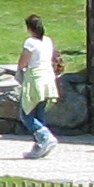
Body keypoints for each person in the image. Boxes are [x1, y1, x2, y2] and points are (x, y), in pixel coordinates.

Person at [14, 15, 63, 159]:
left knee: (26, 114)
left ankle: (46, 137)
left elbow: (23, 62)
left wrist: (19, 69)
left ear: (29, 28)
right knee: (39, 112)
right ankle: (39, 145)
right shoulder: (47, 41)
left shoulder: (30, 42)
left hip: (35, 78)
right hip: (48, 77)